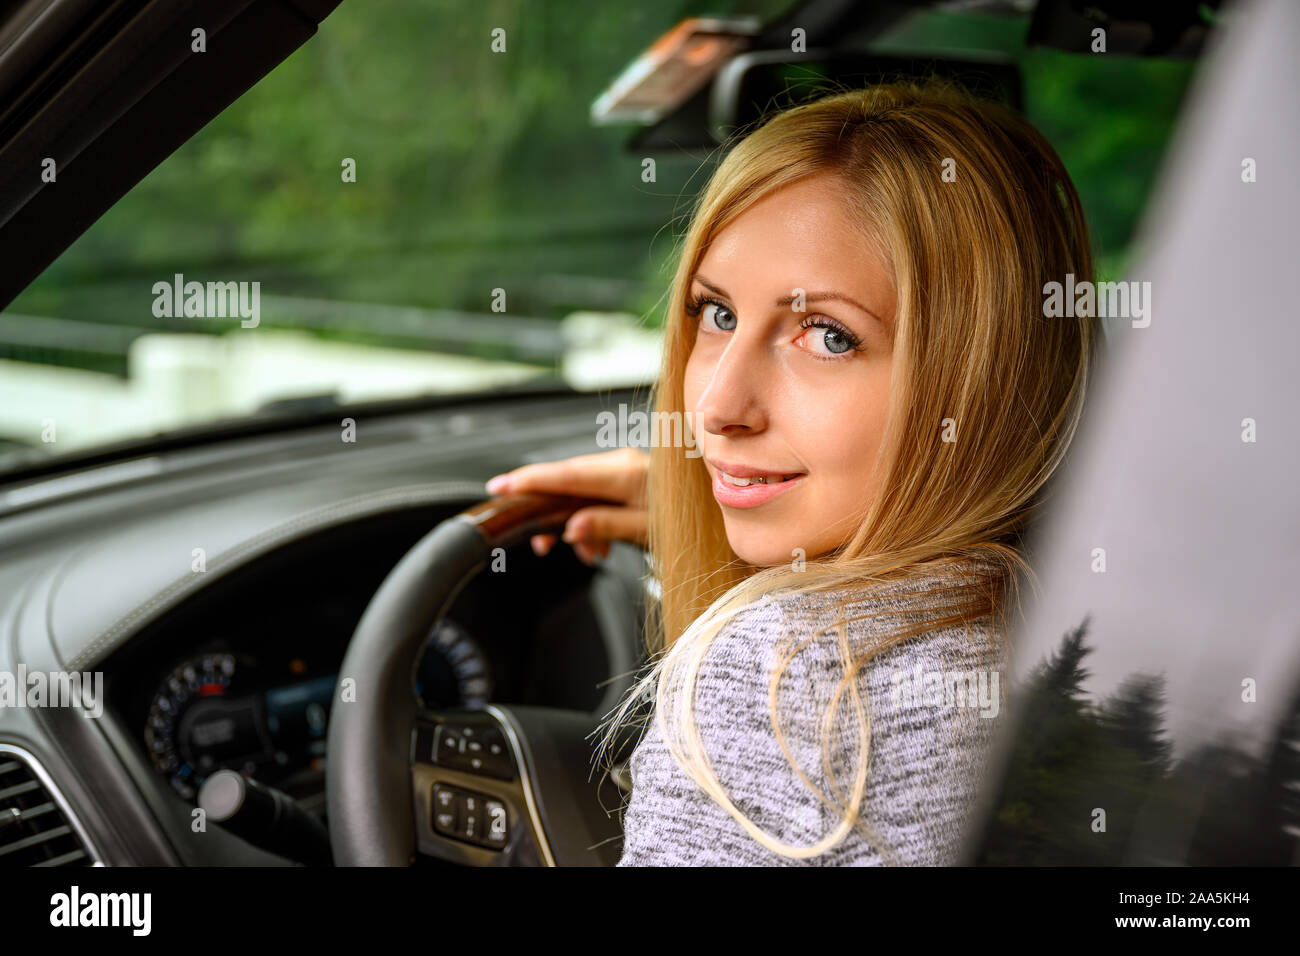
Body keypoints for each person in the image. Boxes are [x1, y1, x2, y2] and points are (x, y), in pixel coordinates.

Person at [484, 81, 1101, 865]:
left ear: (986, 379)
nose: (715, 408)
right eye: (718, 314)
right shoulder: (1106, 610)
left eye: (829, 336)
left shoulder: (784, 678)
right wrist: (694, 507)